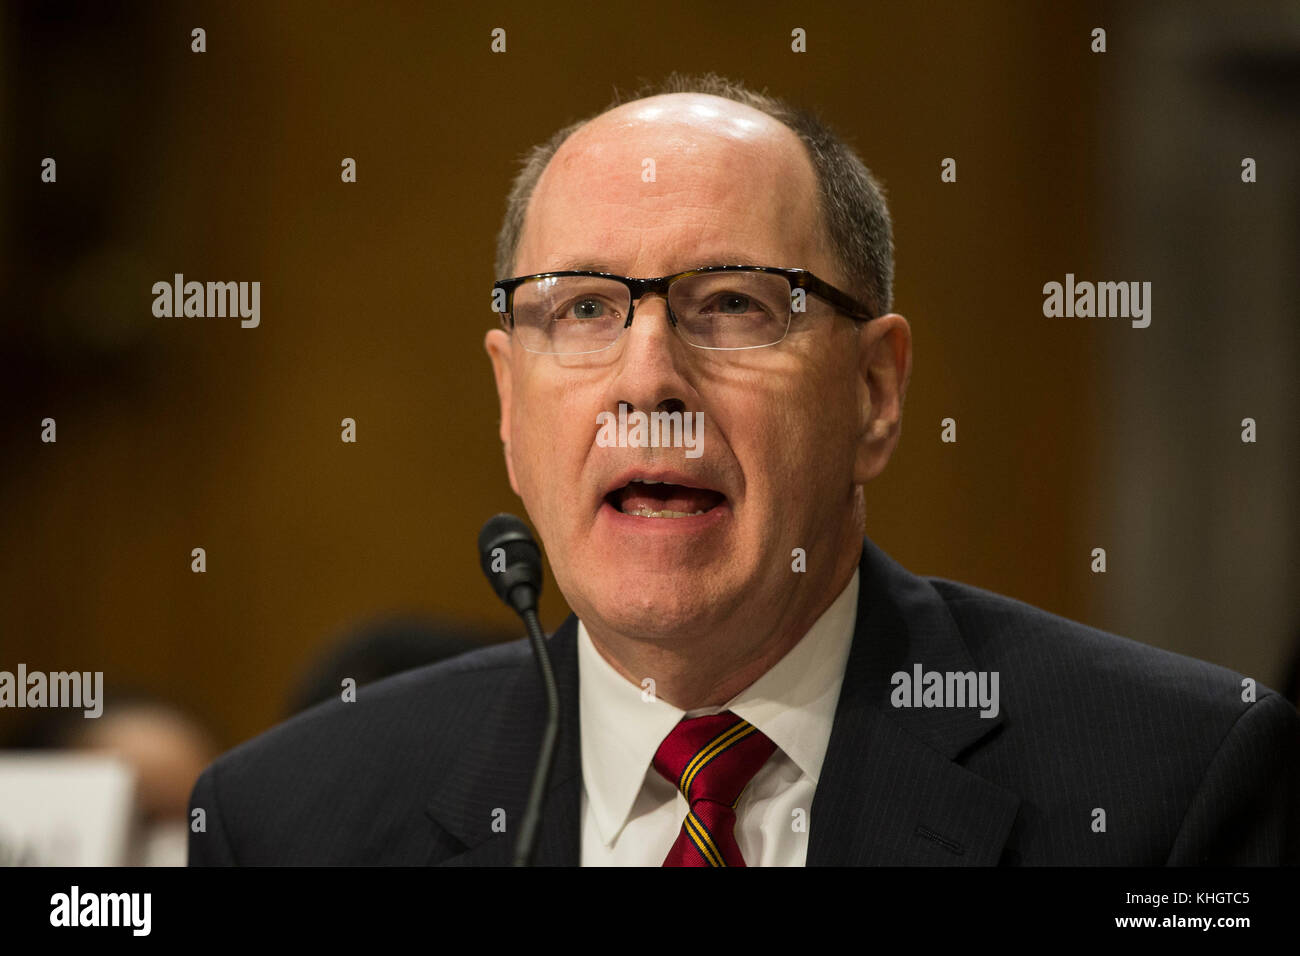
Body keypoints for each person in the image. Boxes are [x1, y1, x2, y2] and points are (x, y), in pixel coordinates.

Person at [189, 72, 1299, 866]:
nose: (648, 381)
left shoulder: (1169, 783)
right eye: (581, 308)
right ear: (508, 407)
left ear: (874, 391)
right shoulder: (287, 822)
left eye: (731, 305)